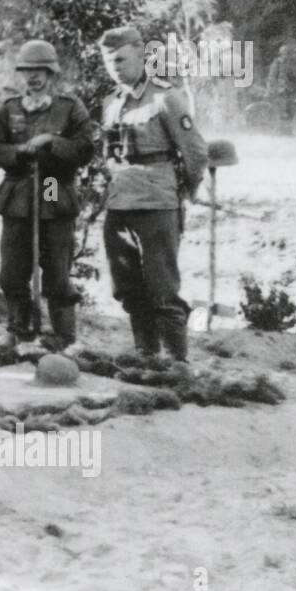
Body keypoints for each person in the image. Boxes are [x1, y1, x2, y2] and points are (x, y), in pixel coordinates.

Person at [98, 25, 208, 361]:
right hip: (120, 203)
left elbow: (195, 151)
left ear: (141, 54)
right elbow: (108, 155)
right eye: (109, 62)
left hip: (157, 203)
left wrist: (186, 190)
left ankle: (177, 362)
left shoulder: (166, 97)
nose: (115, 67)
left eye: (121, 59)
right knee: (126, 286)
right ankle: (146, 354)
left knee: (162, 287)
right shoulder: (111, 103)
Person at [0, 39, 94, 353]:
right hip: (18, 193)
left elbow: (85, 149)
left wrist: (51, 142)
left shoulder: (69, 107)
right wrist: (18, 151)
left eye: (40, 71)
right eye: (27, 71)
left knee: (56, 268)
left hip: (51, 184)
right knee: (11, 273)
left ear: (51, 73)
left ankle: (63, 337)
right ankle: (20, 331)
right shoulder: (10, 109)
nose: (33, 77)